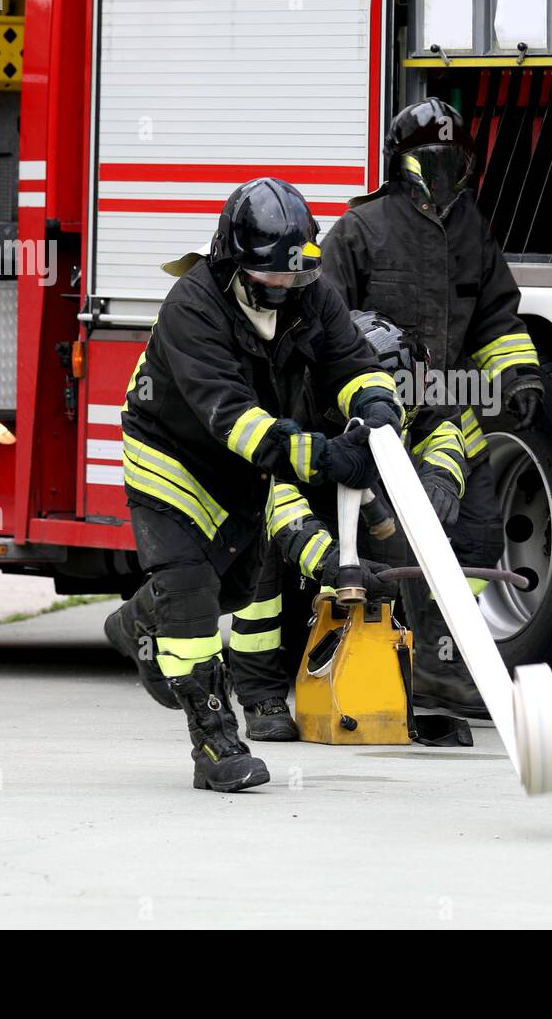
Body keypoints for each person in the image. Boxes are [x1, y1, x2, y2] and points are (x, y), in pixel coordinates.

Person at [104, 178, 403, 793]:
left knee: (232, 588)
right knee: (190, 592)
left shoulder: (309, 294)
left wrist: (377, 410)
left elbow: (351, 362)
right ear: (233, 263)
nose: (285, 291)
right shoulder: (192, 307)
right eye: (271, 279)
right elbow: (231, 417)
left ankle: (139, 622)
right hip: (173, 457)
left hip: (245, 462)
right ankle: (214, 743)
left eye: (294, 278)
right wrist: (324, 458)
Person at [322, 98, 544, 713]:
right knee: (409, 541)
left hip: (451, 410)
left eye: (454, 159)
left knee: (475, 533)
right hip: (386, 421)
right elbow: (324, 322)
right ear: (403, 163)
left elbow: (495, 316)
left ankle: (448, 656)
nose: (444, 172)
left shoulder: (470, 227)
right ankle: (416, 665)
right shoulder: (360, 229)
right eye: (432, 159)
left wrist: (517, 374)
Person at [227, 310, 468, 740]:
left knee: (385, 575)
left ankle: (381, 680)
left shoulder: (406, 374)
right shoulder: (288, 396)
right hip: (283, 499)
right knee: (263, 559)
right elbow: (276, 499)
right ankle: (260, 694)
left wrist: (441, 477)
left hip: (363, 492)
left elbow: (443, 428)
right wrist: (327, 559)